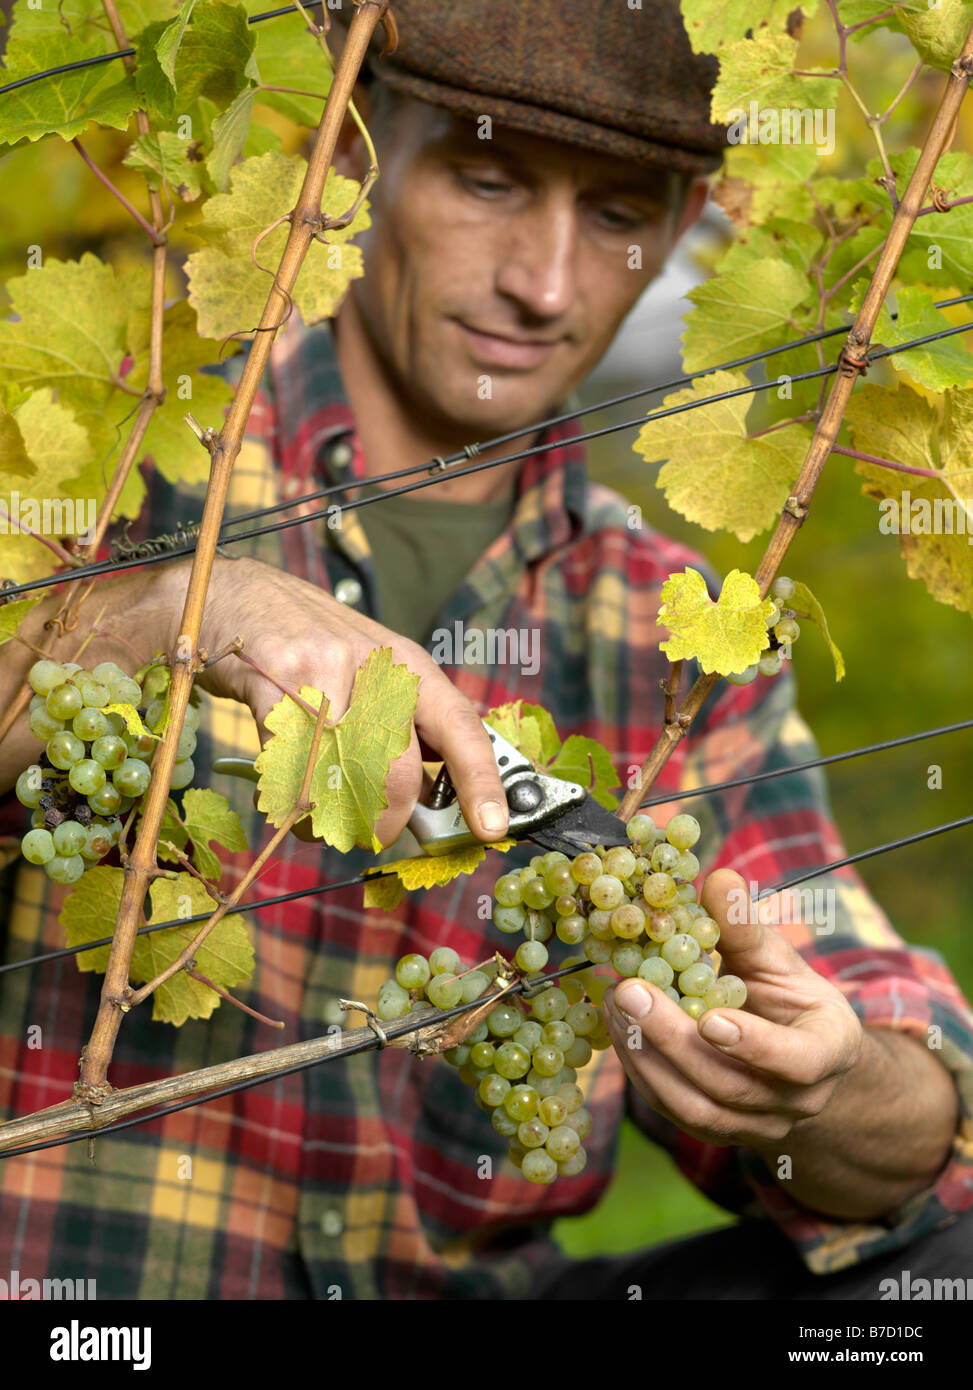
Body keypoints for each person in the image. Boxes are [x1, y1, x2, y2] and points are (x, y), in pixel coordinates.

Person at [0, 0, 971, 1302]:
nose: (546, 283)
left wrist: (838, 1087)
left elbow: (917, 1125)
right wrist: (171, 611)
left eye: (619, 214)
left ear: (681, 232)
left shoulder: (664, 621)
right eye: (487, 177)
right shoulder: (104, 435)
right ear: (354, 161)